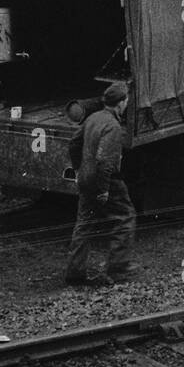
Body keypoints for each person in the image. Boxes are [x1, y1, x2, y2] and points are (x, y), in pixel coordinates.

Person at [65, 81, 136, 285]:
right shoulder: (113, 126)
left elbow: (73, 144)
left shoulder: (92, 118)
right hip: (105, 181)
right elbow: (105, 161)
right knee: (124, 217)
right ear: (121, 103)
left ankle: (75, 272)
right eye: (126, 101)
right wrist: (104, 189)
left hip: (86, 178)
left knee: (84, 224)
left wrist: (79, 169)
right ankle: (119, 270)